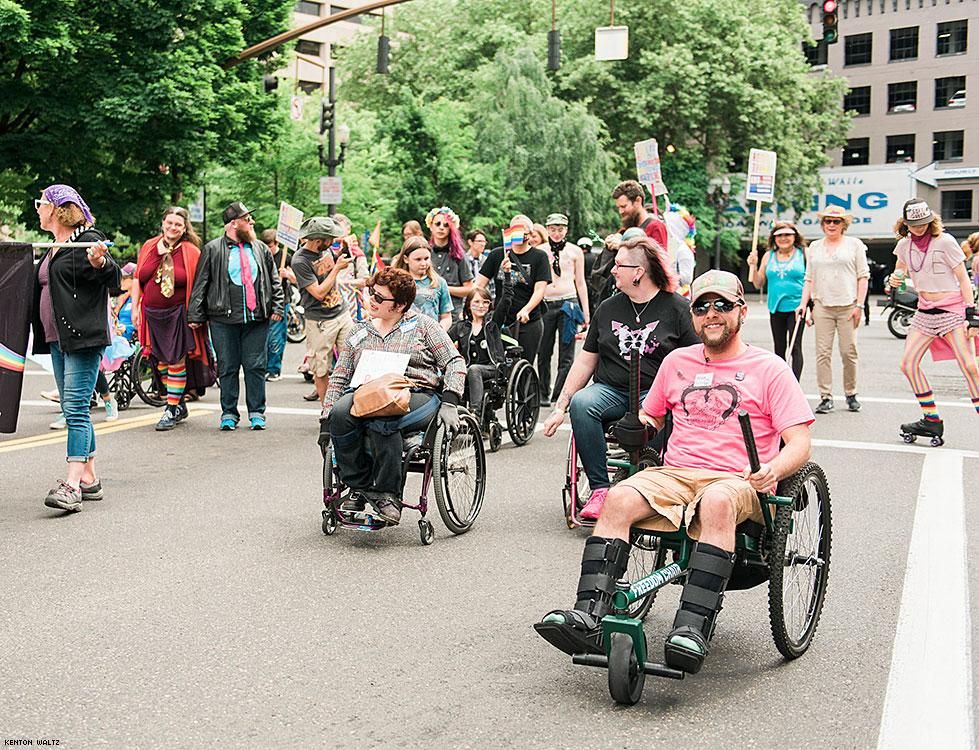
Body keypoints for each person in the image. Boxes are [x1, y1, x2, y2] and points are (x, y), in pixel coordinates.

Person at [536, 270, 814, 675]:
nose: (711, 313)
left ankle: (691, 629)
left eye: (722, 305)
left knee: (716, 501)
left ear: (741, 311)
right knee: (618, 496)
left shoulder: (769, 368)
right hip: (676, 473)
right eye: (701, 307)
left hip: (736, 479)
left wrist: (772, 468)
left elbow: (801, 443)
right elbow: (651, 416)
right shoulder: (677, 361)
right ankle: (588, 614)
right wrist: (638, 426)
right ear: (692, 315)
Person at [542, 232, 696, 520]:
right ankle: (600, 489)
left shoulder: (677, 309)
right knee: (582, 403)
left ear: (638, 272)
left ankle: (646, 484)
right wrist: (560, 407)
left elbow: (697, 359)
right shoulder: (608, 308)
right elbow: (585, 361)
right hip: (611, 390)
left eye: (618, 265)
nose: (612, 269)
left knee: (659, 410)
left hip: (655, 391)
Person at [319, 267, 466, 526]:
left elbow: (455, 362)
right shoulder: (359, 331)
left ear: (399, 305)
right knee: (340, 414)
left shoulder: (423, 326)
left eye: (379, 297)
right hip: (366, 392)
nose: (371, 300)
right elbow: (340, 377)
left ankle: (388, 494)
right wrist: (325, 420)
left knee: (382, 419)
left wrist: (450, 400)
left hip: (416, 392)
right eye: (371, 293)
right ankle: (360, 486)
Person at [30, 183, 120, 511]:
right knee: (72, 408)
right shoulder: (53, 246)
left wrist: (100, 263)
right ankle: (90, 478)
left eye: (40, 203)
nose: (37, 209)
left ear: (57, 209)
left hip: (83, 337)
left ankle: (72, 485)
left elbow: (113, 277)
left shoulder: (88, 240)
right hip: (57, 338)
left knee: (77, 409)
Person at [888, 199, 979, 443]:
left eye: (924, 223)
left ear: (931, 221)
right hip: (925, 311)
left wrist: (971, 315)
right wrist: (895, 278)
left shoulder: (945, 241)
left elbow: (963, 278)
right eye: (914, 224)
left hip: (952, 309)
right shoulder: (904, 245)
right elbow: (900, 269)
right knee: (908, 364)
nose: (920, 228)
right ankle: (931, 420)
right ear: (905, 224)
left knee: (969, 366)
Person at [188, 201, 283, 431]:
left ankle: (257, 412)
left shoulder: (260, 248)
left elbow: (273, 280)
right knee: (228, 367)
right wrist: (195, 314)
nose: (252, 222)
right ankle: (229, 413)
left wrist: (278, 307)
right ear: (233, 223)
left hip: (256, 318)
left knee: (255, 366)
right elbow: (201, 283)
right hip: (222, 319)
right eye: (247, 219)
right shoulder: (212, 249)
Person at [133, 207, 209, 431]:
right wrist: (135, 309)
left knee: (176, 360)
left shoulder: (191, 251)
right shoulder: (149, 246)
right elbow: (138, 278)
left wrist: (197, 314)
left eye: (178, 224)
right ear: (163, 224)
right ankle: (179, 404)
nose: (173, 227)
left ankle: (170, 408)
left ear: (184, 228)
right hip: (152, 313)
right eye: (169, 223)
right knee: (162, 362)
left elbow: (199, 285)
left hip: (177, 313)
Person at [796, 205, 869, 414]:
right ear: (822, 224)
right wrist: (803, 304)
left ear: (843, 224)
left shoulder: (854, 244)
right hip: (822, 305)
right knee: (822, 353)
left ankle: (851, 393)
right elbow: (809, 278)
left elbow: (863, 276)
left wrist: (860, 305)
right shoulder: (815, 247)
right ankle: (826, 396)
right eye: (827, 221)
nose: (831, 225)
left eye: (836, 221)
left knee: (848, 352)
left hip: (848, 305)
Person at [290, 216, 353, 405]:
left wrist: (343, 253)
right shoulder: (300, 261)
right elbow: (318, 292)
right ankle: (327, 410)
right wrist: (337, 269)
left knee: (351, 359)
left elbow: (332, 270)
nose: (333, 241)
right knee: (321, 368)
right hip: (320, 321)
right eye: (330, 239)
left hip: (342, 312)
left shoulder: (325, 251)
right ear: (319, 240)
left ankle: (347, 405)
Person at [476, 214, 552, 365]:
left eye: (523, 229)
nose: (519, 233)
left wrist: (526, 310)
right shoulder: (497, 254)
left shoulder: (539, 257)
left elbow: (540, 289)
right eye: (515, 229)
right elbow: (479, 285)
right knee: (496, 363)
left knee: (523, 364)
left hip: (528, 321)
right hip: (500, 320)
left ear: (530, 233)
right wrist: (476, 306)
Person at [537, 212, 590, 407]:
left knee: (566, 352)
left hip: (568, 302)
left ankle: (560, 394)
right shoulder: (540, 251)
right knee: (544, 351)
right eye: (553, 229)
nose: (556, 233)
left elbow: (581, 283)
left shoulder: (575, 252)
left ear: (566, 230)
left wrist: (586, 313)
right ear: (547, 230)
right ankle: (543, 392)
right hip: (546, 302)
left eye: (560, 229)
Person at [448, 275, 513, 425]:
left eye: (485, 302)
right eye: (476, 302)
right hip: (468, 368)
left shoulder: (493, 324)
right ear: (469, 305)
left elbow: (506, 299)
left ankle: (475, 413)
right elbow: (443, 341)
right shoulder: (461, 326)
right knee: (455, 371)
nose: (481, 306)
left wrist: (507, 275)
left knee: (474, 369)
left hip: (492, 367)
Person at [746, 222, 808, 379]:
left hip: (797, 307)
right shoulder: (769, 256)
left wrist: (809, 305)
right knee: (779, 348)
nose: (783, 238)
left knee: (795, 346)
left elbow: (811, 280)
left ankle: (795, 383)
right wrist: (753, 266)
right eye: (779, 235)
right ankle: (781, 382)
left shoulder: (803, 253)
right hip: (775, 307)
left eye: (787, 234)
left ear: (794, 236)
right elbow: (758, 283)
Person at [392, 235, 453, 329]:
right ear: (406, 259)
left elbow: (446, 316)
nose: (423, 263)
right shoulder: (396, 282)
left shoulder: (439, 282)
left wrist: (440, 330)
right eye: (418, 259)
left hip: (431, 332)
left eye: (426, 258)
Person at [425, 206, 472, 320]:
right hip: (426, 315)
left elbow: (469, 289)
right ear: (431, 226)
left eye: (446, 225)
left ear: (451, 228)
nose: (441, 227)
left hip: (453, 316)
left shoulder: (460, 256)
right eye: (438, 224)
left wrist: (443, 288)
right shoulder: (424, 253)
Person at [262, 228, 295, 382]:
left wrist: (287, 274)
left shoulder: (286, 257)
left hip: (281, 300)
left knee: (276, 336)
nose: (268, 249)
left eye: (270, 246)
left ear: (276, 243)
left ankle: (274, 369)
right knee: (264, 337)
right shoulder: (262, 255)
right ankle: (264, 367)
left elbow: (298, 279)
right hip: (264, 301)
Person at [611, 180, 668, 248]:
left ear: (638, 201)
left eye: (624, 206)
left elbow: (659, 254)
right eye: (618, 207)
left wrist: (621, 246)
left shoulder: (656, 227)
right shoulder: (628, 226)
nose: (620, 211)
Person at [336, 233, 370, 320]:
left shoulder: (358, 256)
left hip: (351, 303)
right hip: (332, 305)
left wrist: (340, 283)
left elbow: (364, 281)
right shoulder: (328, 253)